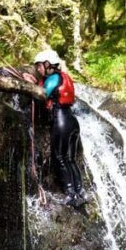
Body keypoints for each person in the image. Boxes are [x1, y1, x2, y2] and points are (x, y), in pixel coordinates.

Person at [29, 50, 86, 207]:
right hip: (72, 121)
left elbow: (42, 93)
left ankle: (71, 194)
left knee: (59, 158)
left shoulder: (54, 78)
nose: (38, 69)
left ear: (47, 64)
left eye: (39, 66)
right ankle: (80, 191)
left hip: (60, 121)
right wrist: (34, 81)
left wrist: (27, 85)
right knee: (70, 159)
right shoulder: (62, 77)